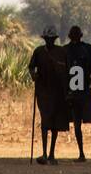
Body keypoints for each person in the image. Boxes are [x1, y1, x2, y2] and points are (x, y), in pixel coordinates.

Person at [28, 26, 70, 164]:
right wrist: (34, 75)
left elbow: (68, 71)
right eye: (47, 39)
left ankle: (51, 153)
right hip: (43, 93)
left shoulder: (61, 52)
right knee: (45, 121)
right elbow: (31, 66)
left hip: (58, 93)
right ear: (44, 39)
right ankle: (45, 153)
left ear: (55, 39)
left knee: (55, 124)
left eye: (51, 39)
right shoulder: (39, 51)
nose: (49, 41)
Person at [63, 25, 91, 161]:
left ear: (69, 36)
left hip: (72, 93)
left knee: (77, 123)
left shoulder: (65, 50)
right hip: (83, 92)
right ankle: (81, 153)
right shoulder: (88, 49)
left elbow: (62, 73)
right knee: (78, 123)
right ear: (81, 36)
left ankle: (81, 153)